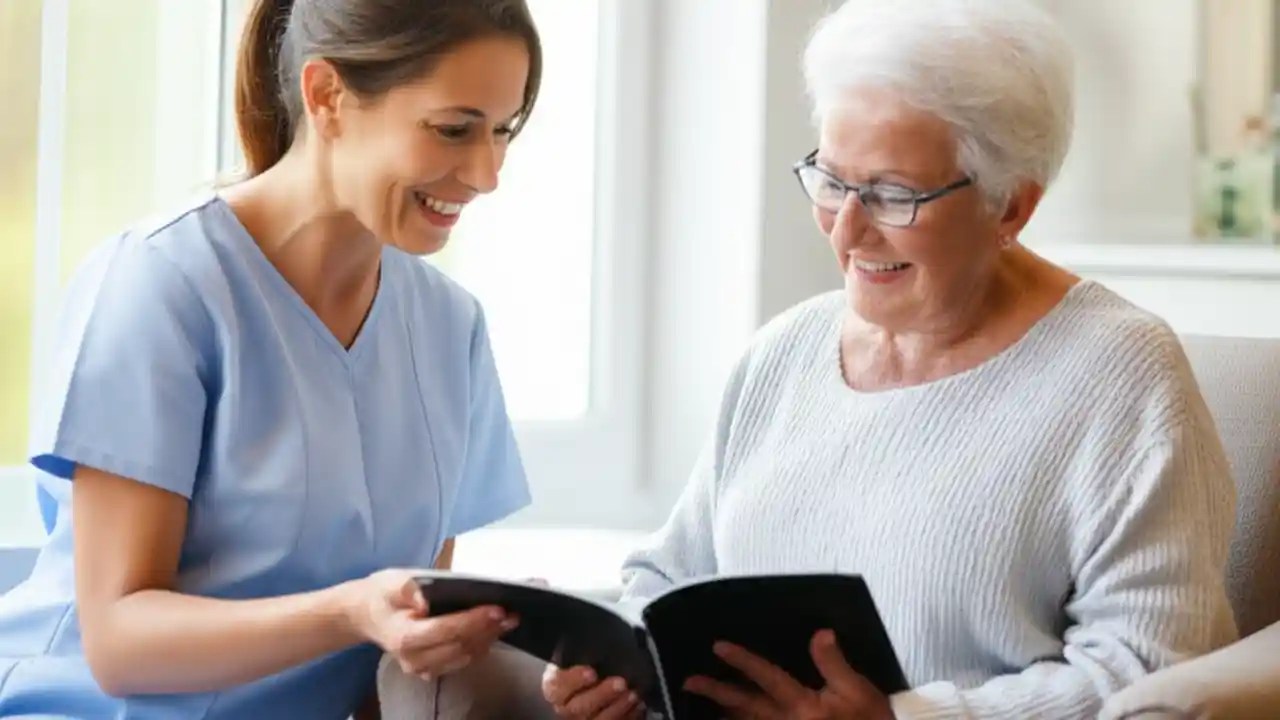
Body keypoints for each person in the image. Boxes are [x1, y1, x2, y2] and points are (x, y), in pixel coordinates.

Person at [541, 0, 1239, 718]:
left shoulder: (1121, 376)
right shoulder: (785, 351)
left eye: (893, 195)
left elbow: (1150, 673)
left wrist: (906, 719)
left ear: (1010, 207)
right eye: (834, 181)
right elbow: (671, 575)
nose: (847, 231)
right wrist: (619, 672)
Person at [0, 0, 542, 717]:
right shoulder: (161, 283)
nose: (487, 173)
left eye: (503, 131)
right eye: (453, 129)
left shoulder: (450, 328)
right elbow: (120, 643)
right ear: (327, 97)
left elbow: (400, 656)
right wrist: (348, 612)